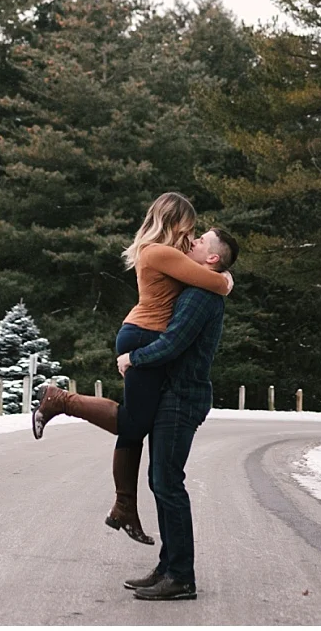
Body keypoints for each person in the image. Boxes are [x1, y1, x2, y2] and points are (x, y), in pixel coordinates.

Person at [30, 192, 232, 546]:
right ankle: (59, 399)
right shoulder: (161, 252)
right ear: (173, 222)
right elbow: (215, 282)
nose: (191, 234)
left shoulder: (162, 252)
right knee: (131, 422)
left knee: (135, 427)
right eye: (189, 227)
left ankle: (125, 508)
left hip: (142, 337)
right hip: (143, 338)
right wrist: (227, 277)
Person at [114, 234, 234, 602]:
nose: (192, 242)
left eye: (201, 241)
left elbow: (174, 342)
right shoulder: (199, 286)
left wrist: (134, 358)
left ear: (212, 259)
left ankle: (181, 576)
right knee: (160, 480)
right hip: (174, 395)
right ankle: (168, 568)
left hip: (183, 398)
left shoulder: (201, 296)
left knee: (168, 482)